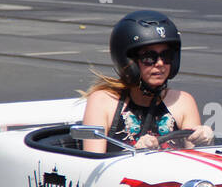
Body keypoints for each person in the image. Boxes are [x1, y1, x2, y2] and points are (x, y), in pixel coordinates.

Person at [81, 10, 213, 153]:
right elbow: (91, 162)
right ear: (129, 62)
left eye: (167, 56)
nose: (160, 63)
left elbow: (195, 159)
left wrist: (203, 141)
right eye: (149, 57)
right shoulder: (102, 101)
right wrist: (134, 152)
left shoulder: (183, 101)